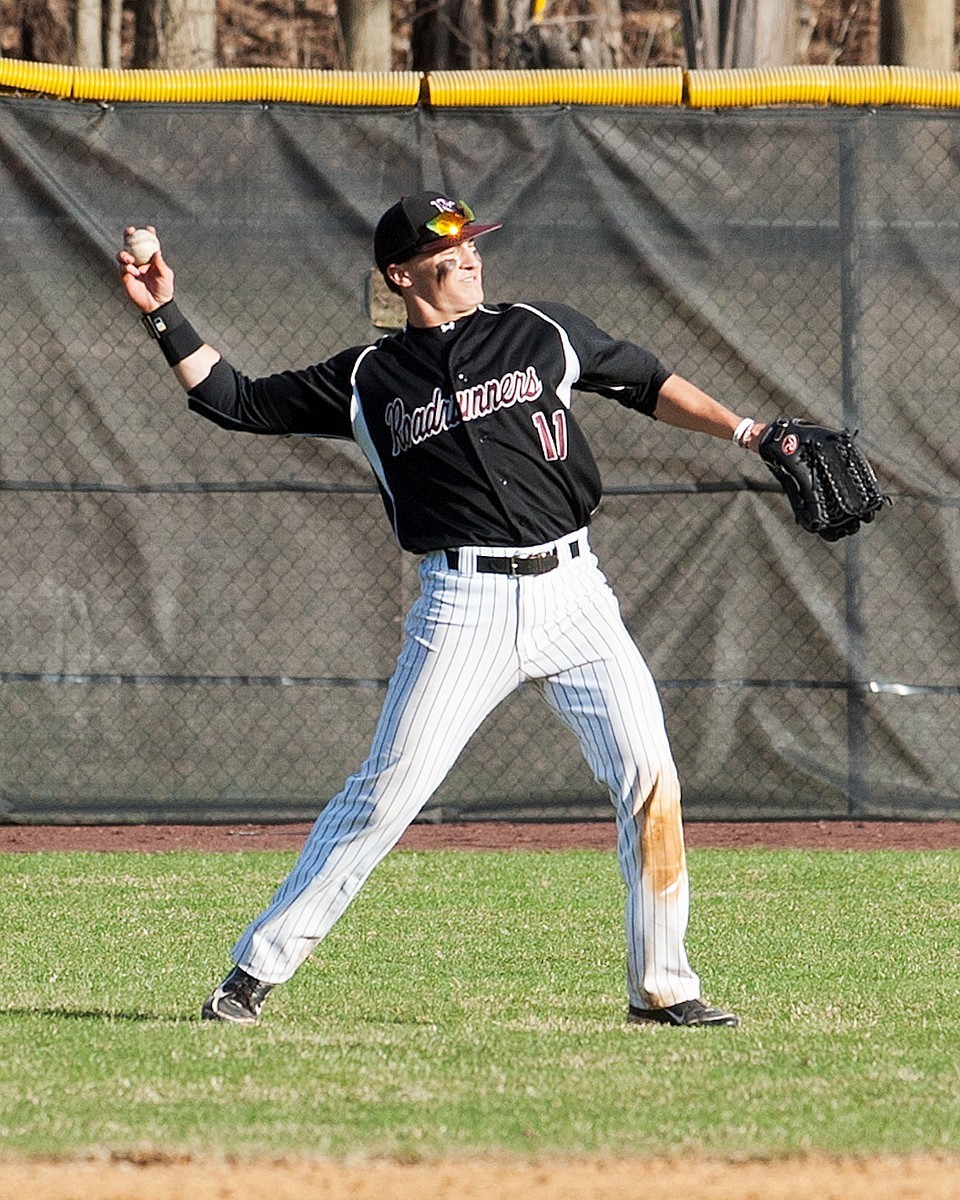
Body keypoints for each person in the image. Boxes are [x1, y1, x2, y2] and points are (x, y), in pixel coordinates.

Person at [119, 190, 765, 1029]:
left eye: (470, 243)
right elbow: (233, 400)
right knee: (385, 796)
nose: (467, 257)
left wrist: (750, 432)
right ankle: (249, 977)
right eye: (445, 249)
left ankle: (663, 988)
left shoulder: (541, 331)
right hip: (465, 604)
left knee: (651, 776)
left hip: (577, 593)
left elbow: (646, 382)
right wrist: (163, 311)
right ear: (401, 274)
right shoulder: (368, 378)